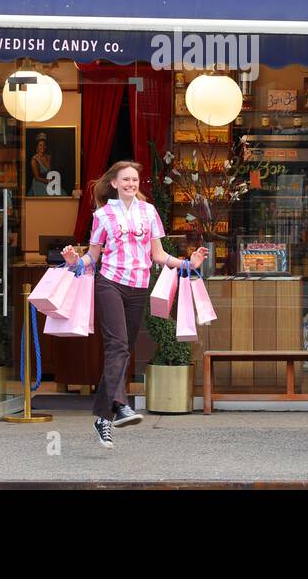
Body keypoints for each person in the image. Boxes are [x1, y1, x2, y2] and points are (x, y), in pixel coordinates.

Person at [63, 160, 205, 449]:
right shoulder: (102, 215)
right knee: (117, 346)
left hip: (139, 286)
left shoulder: (149, 212)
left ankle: (103, 417)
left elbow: (159, 255)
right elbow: (93, 255)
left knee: (123, 348)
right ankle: (119, 405)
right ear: (114, 183)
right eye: (125, 179)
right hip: (110, 283)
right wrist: (75, 262)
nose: (131, 184)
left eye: (135, 180)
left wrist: (188, 264)